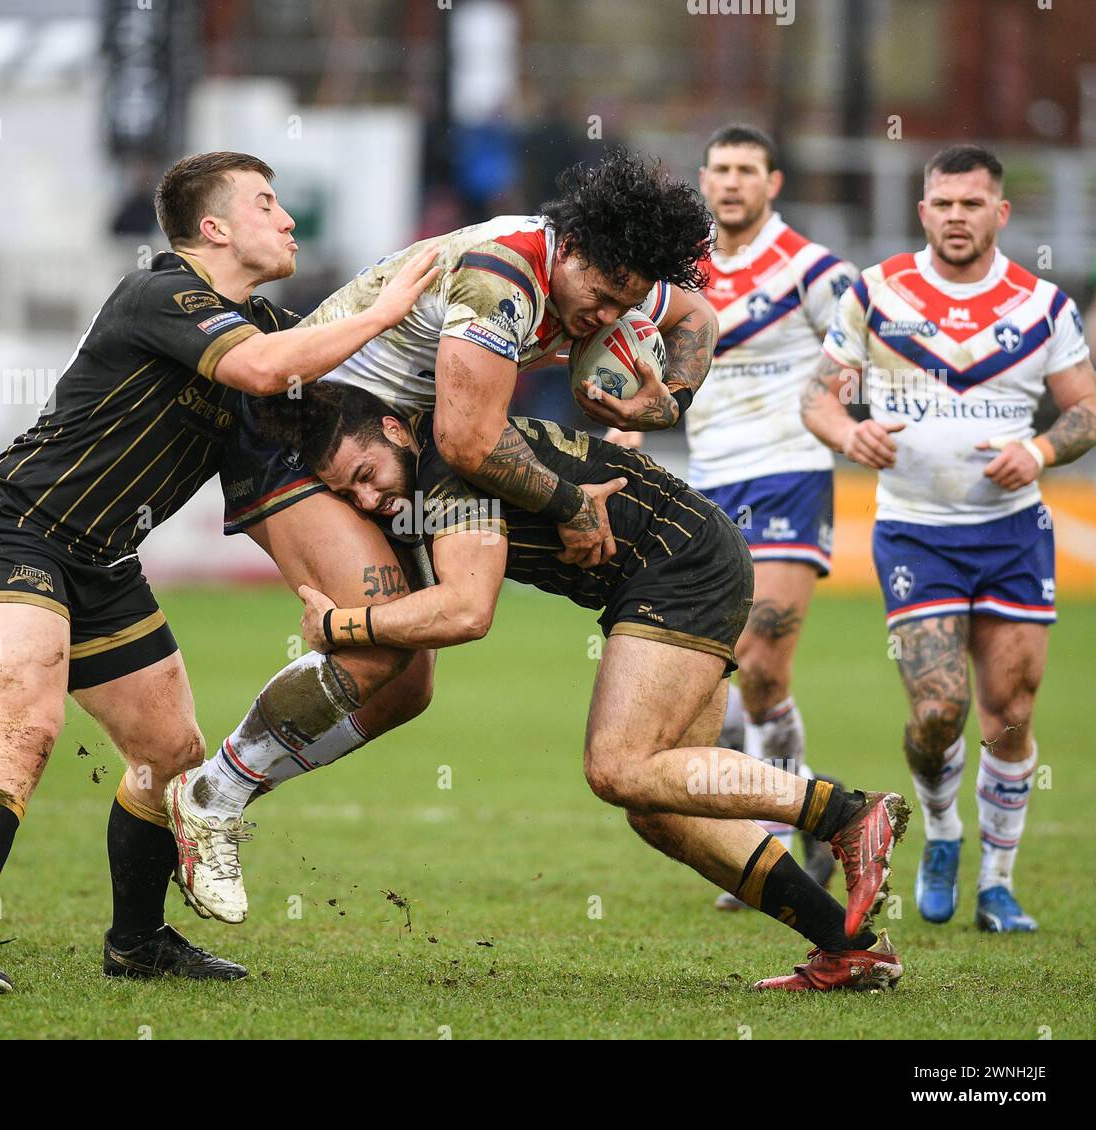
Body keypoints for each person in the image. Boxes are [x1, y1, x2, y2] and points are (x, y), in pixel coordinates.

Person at [0, 151, 440, 991]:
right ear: (214, 228)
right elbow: (266, 369)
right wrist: (386, 310)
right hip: (17, 535)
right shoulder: (162, 294)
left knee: (171, 752)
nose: (288, 220)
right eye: (267, 203)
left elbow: (340, 381)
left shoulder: (263, 324)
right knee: (25, 728)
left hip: (104, 563)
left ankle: (138, 942)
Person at [167, 149, 723, 922]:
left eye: (623, 304)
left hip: (388, 439)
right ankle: (211, 798)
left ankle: (211, 800)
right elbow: (466, 441)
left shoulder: (610, 268)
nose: (606, 317)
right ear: (572, 249)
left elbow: (698, 316)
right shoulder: (503, 276)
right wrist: (570, 504)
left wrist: (665, 404)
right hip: (301, 432)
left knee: (406, 688)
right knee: (374, 647)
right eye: (600, 298)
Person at [256, 381, 909, 991]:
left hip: (679, 565)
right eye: (349, 493)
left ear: (395, 429)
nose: (367, 500)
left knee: (618, 766)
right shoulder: (440, 452)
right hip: (686, 559)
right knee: (661, 806)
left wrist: (340, 625)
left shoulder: (446, 467)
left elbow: (466, 612)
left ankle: (847, 816)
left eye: (365, 475)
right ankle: (849, 948)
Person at [802, 143, 1096, 932]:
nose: (956, 216)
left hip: (1013, 533)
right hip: (916, 532)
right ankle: (940, 832)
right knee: (939, 711)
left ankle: (997, 885)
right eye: (943, 203)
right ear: (922, 209)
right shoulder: (876, 294)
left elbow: (1086, 407)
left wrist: (1039, 451)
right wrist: (849, 433)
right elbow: (819, 398)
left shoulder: (1042, 306)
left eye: (972, 203)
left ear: (1001, 212)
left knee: (1010, 713)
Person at [685, 123, 859, 904]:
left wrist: (850, 406)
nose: (731, 182)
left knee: (760, 660)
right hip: (706, 483)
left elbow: (860, 351)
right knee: (712, 674)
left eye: (746, 170)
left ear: (772, 182)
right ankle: (814, 821)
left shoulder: (813, 270)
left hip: (789, 472)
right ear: (704, 179)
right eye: (720, 169)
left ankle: (772, 844)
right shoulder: (682, 271)